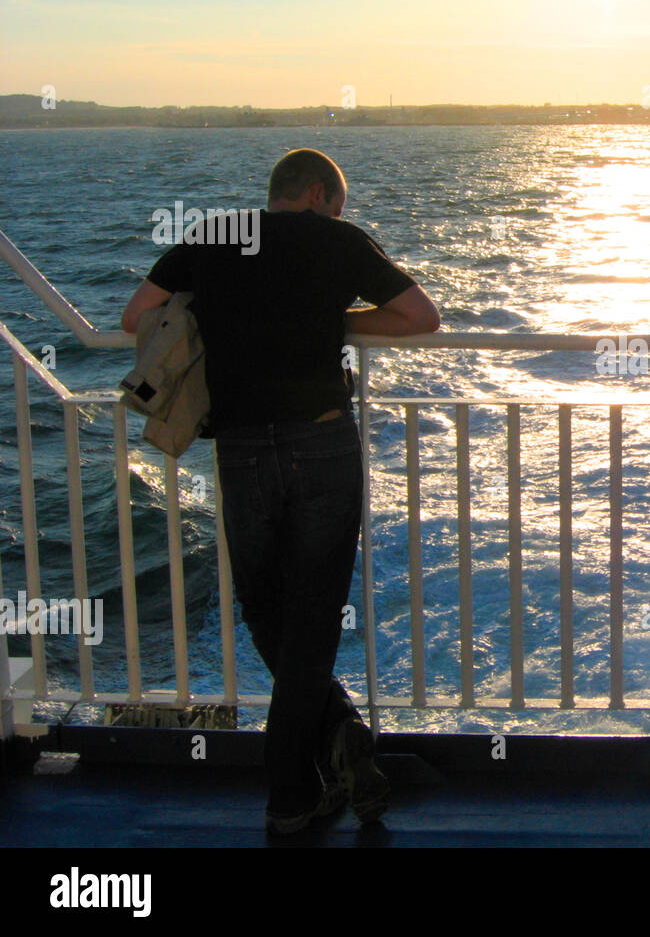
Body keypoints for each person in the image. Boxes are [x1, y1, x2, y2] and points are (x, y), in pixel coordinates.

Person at [122, 148, 441, 833]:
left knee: (265, 609)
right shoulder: (339, 241)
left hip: (239, 448)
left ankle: (322, 754)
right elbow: (420, 317)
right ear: (322, 195)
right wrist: (337, 322)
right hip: (321, 442)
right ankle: (302, 778)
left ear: (275, 194)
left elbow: (135, 316)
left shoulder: (213, 234)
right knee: (315, 614)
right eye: (339, 204)